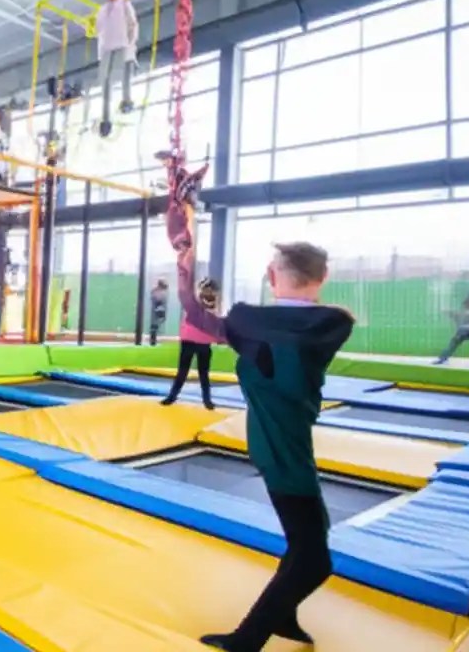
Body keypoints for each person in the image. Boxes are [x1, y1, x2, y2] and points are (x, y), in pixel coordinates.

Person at [173, 235, 353, 650]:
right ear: (323, 276)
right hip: (285, 448)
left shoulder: (246, 323)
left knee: (309, 537)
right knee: (314, 560)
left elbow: (197, 316)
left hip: (276, 445)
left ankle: (283, 618)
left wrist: (186, 269)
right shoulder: (333, 324)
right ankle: (248, 638)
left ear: (272, 276)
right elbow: (303, 323)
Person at [161, 277, 220, 409]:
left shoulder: (210, 306)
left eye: (211, 291)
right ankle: (172, 397)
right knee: (183, 371)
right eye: (206, 289)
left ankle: (207, 400)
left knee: (203, 373)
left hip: (202, 343)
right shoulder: (194, 302)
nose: (208, 293)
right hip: (190, 341)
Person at [96, 0, 140, 136]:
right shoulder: (102, 9)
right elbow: (99, 29)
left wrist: (130, 43)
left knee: (123, 74)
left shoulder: (125, 5)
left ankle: (126, 100)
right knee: (105, 82)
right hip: (107, 47)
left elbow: (132, 24)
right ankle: (106, 118)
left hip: (122, 44)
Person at [434, 292, 469, 369]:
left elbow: (462, 315)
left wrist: (449, 313)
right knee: (460, 341)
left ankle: (444, 357)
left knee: (458, 340)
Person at [149, 278, 168, 345]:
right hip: (157, 310)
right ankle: (153, 340)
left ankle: (153, 340)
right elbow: (158, 300)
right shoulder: (156, 292)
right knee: (154, 325)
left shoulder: (156, 291)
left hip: (158, 309)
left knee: (155, 325)